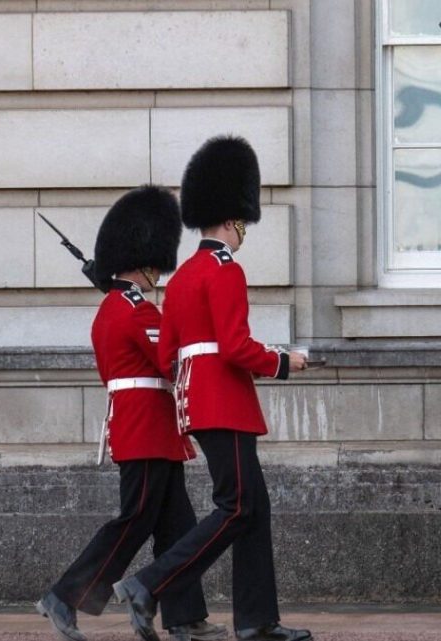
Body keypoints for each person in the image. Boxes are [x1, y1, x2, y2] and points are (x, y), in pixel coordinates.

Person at [112, 136, 311, 641]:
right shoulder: (226, 270)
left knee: (253, 508)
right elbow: (236, 348)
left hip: (196, 403)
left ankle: (258, 620)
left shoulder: (179, 281)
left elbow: (166, 356)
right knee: (237, 506)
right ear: (233, 221)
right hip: (225, 402)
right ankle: (148, 583)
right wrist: (285, 361)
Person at [36, 186, 228, 641]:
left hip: (151, 427)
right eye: (155, 268)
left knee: (177, 528)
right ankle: (65, 596)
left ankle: (184, 617)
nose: (159, 275)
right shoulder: (135, 312)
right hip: (145, 427)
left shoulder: (118, 307)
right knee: (134, 519)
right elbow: (171, 360)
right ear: (141, 263)